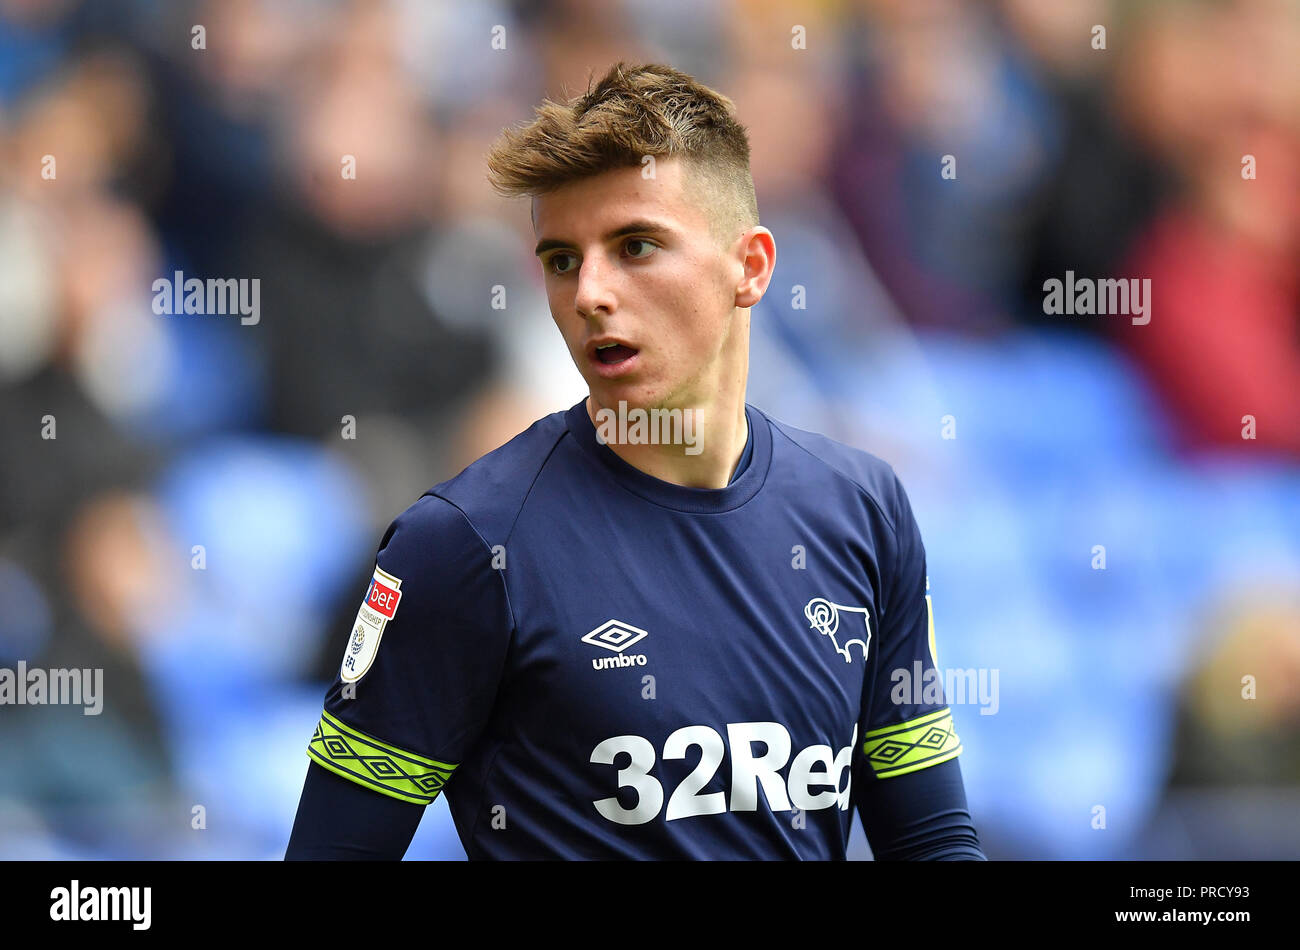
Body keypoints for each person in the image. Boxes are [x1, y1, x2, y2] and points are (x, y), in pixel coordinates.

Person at [286, 61, 984, 860]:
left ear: (750, 267)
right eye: (561, 259)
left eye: (636, 245)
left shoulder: (864, 512)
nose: (589, 292)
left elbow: (932, 843)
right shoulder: (463, 546)